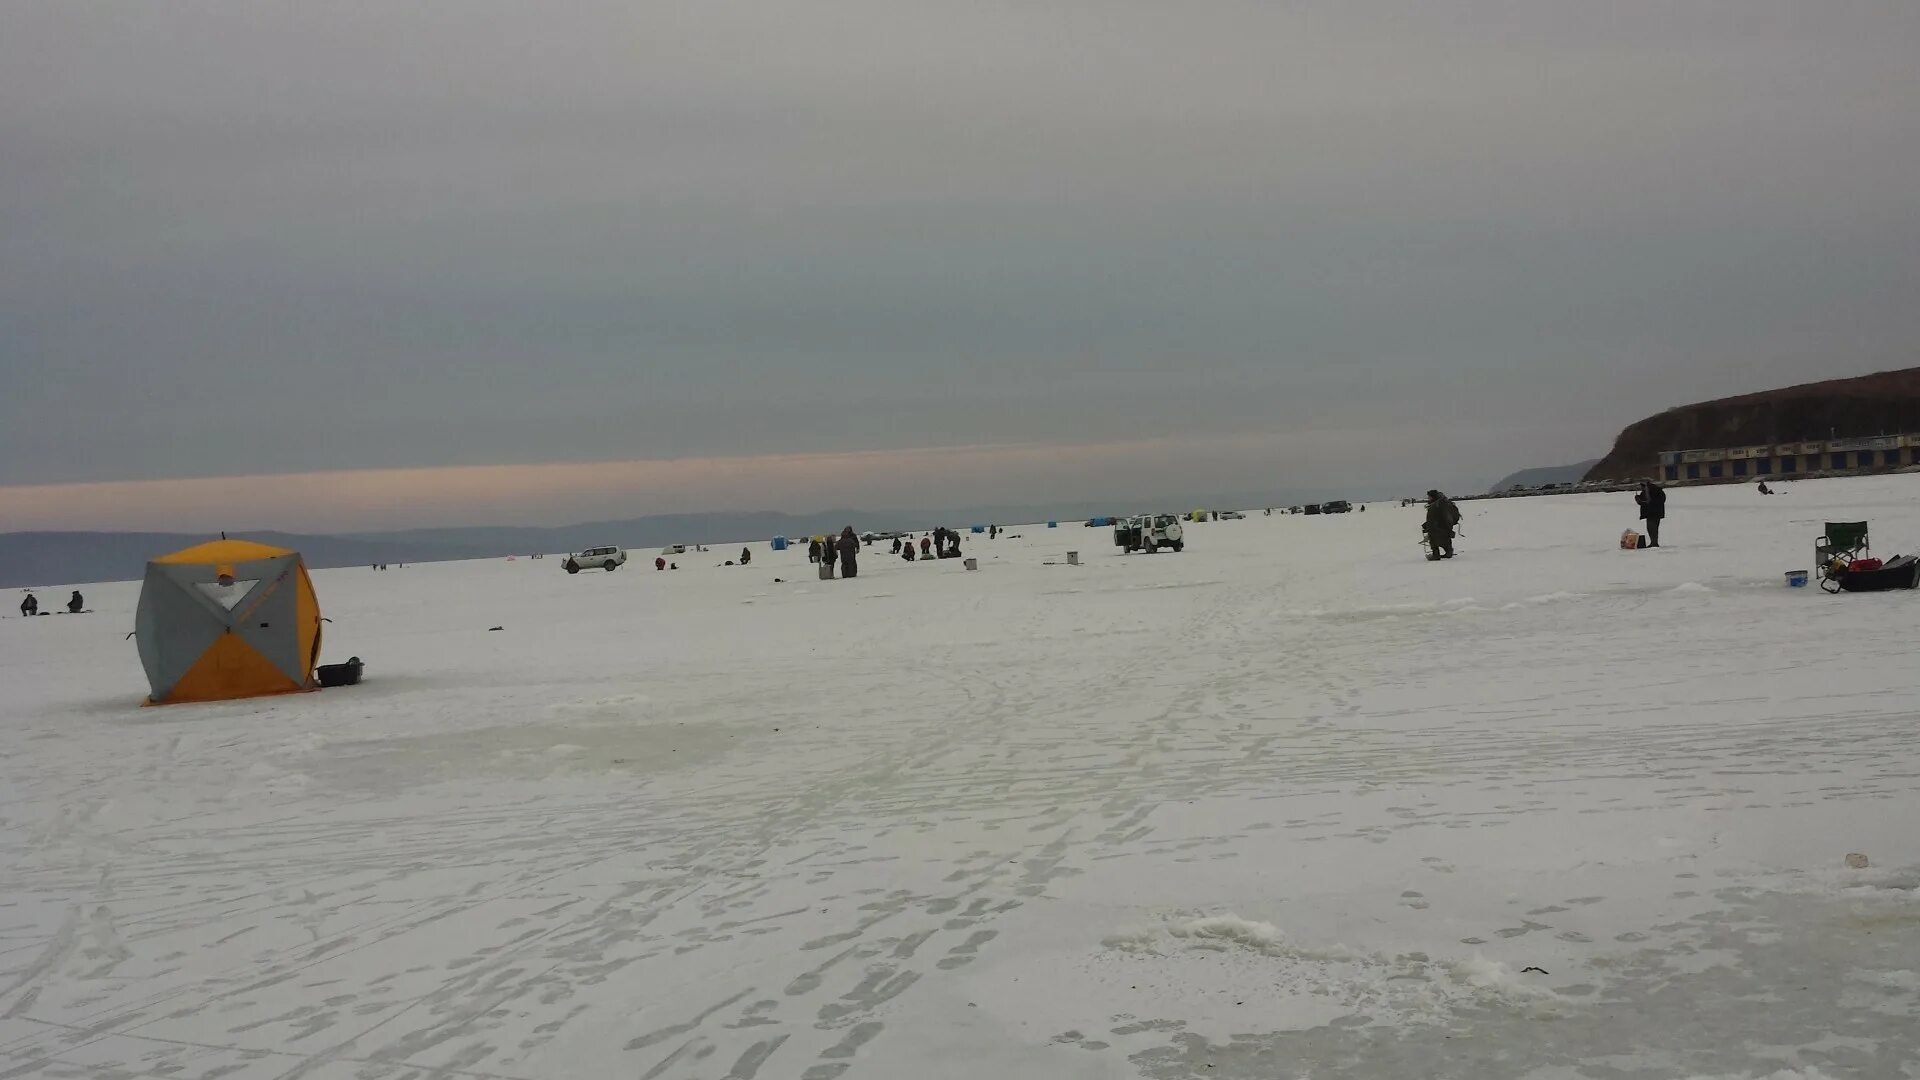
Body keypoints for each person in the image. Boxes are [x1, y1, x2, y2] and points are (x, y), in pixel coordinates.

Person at [1424, 490, 1460, 561]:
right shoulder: (1444, 503)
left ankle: (1436, 555)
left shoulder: (1435, 505)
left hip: (1438, 527)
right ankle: (1449, 552)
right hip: (1446, 526)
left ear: (1432, 497)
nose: (1428, 498)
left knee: (1433, 538)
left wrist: (1427, 526)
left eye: (1429, 496)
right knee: (1445, 539)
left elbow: (1432, 519)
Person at [1636, 479, 1666, 547]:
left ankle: (1654, 543)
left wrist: (1638, 500)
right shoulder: (1657, 489)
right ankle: (1654, 542)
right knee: (1654, 528)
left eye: (1641, 486)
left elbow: (1646, 502)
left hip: (1651, 513)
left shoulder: (1648, 491)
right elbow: (1662, 499)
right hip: (1658, 512)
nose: (1641, 488)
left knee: (1651, 528)